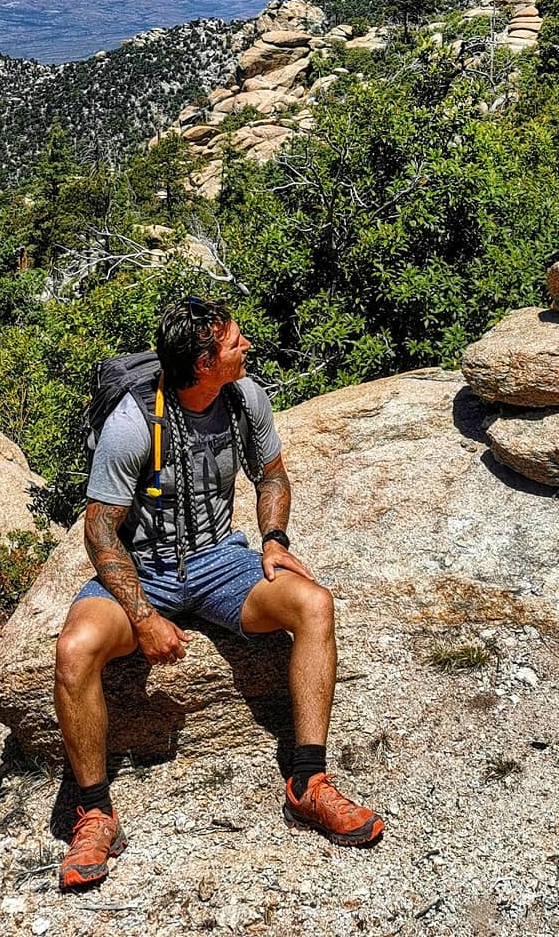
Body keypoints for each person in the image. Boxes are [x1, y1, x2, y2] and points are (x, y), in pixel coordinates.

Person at [53, 295, 384, 889]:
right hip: (144, 568)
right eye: (234, 343)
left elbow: (272, 474)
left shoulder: (244, 399)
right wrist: (143, 614)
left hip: (217, 561)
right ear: (203, 362)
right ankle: (95, 813)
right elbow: (101, 530)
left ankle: (308, 783)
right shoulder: (134, 422)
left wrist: (274, 538)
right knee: (75, 649)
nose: (246, 347)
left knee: (314, 604)